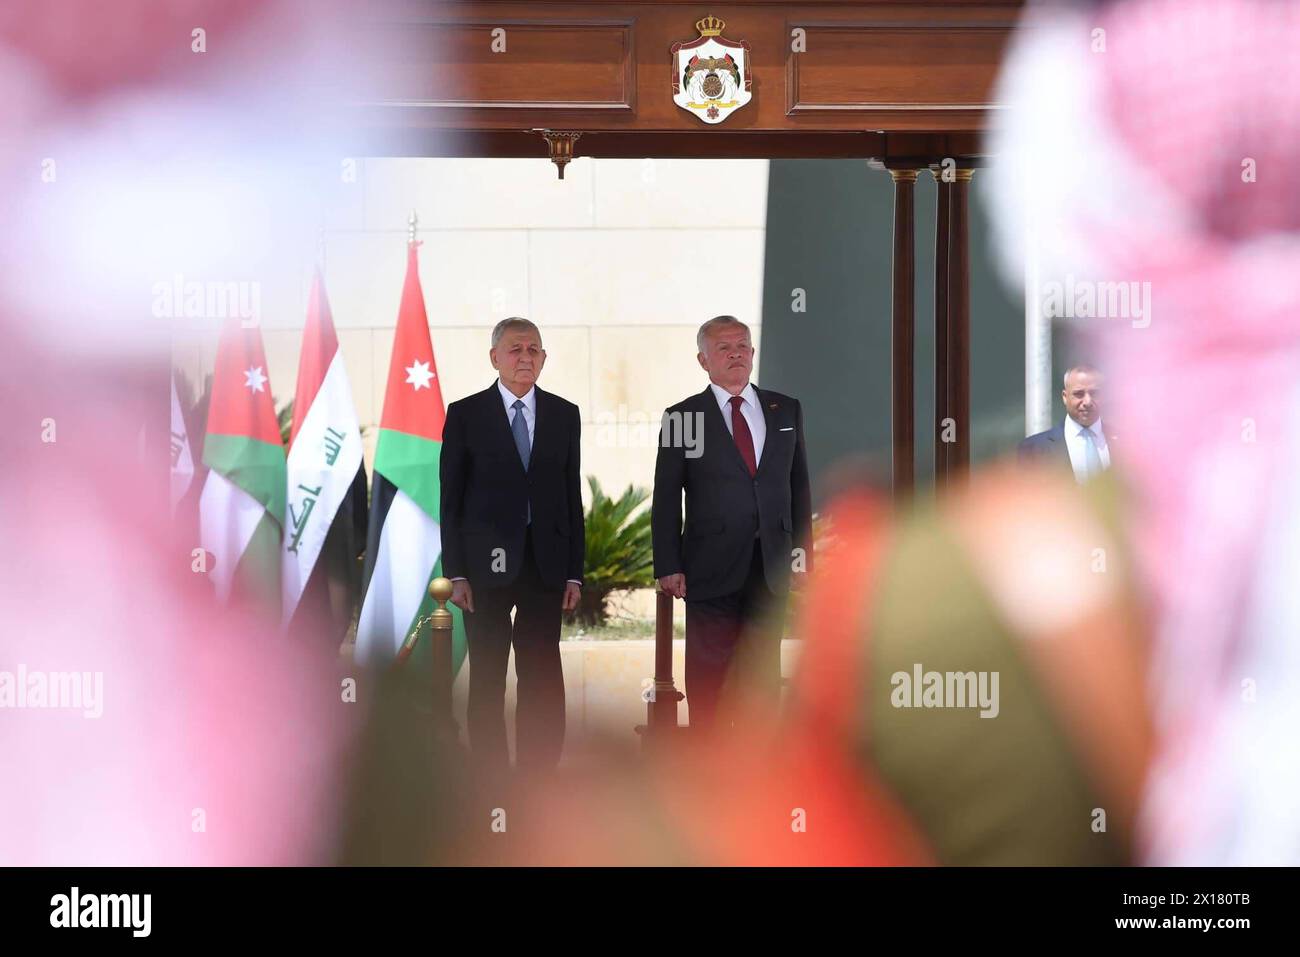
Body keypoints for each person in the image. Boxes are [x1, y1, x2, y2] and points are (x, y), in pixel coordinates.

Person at [651, 315, 812, 730]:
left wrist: (801, 556)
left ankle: (756, 770)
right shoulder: (682, 417)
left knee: (761, 672)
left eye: (742, 345)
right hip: (710, 567)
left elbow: (799, 487)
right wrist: (668, 565)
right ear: (703, 360)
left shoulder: (785, 409)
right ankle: (708, 769)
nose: (736, 353)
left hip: (771, 567)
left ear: (753, 354)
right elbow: (667, 498)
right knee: (710, 674)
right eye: (724, 347)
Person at [440, 317, 584, 776]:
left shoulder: (565, 414)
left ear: (544, 359)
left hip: (546, 567)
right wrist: (457, 571)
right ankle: (491, 775)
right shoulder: (465, 413)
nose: (526, 357)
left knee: (541, 675)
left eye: (534, 350)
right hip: (484, 570)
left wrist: (574, 572)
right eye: (516, 349)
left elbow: (569, 496)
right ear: (495, 358)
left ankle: (538, 776)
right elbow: (452, 498)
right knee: (488, 675)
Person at [1018, 364, 1115, 482]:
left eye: (1094, 393)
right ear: (1065, 397)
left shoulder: (1129, 444)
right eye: (1079, 394)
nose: (1087, 401)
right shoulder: (1033, 449)